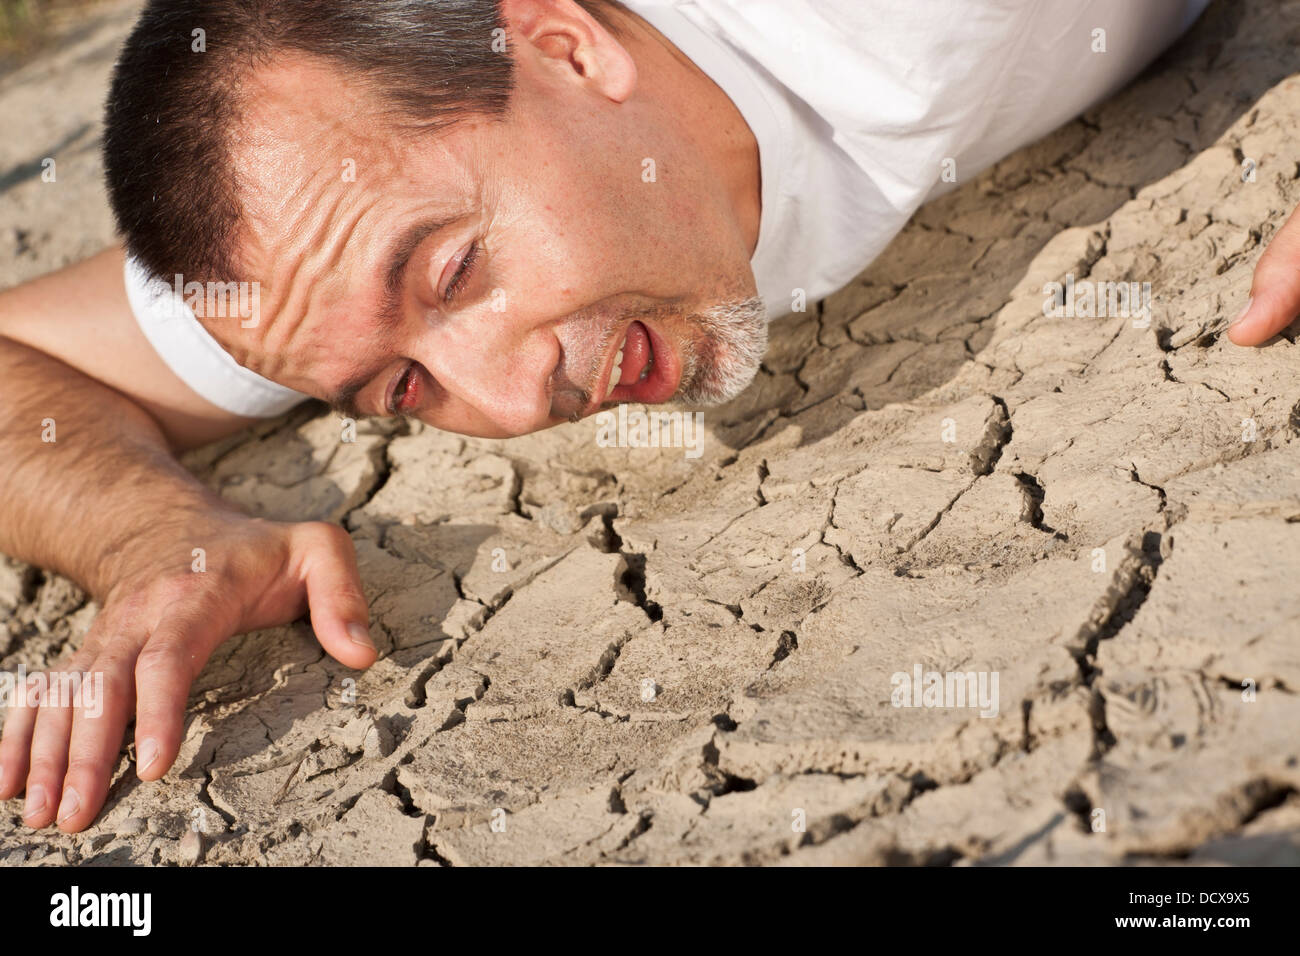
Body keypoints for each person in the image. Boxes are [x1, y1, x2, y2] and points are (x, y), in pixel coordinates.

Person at [1, 0, 1292, 833]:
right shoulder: (326, 222)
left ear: (565, 47)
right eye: (402, 392)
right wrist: (147, 533)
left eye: (452, 272)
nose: (514, 399)